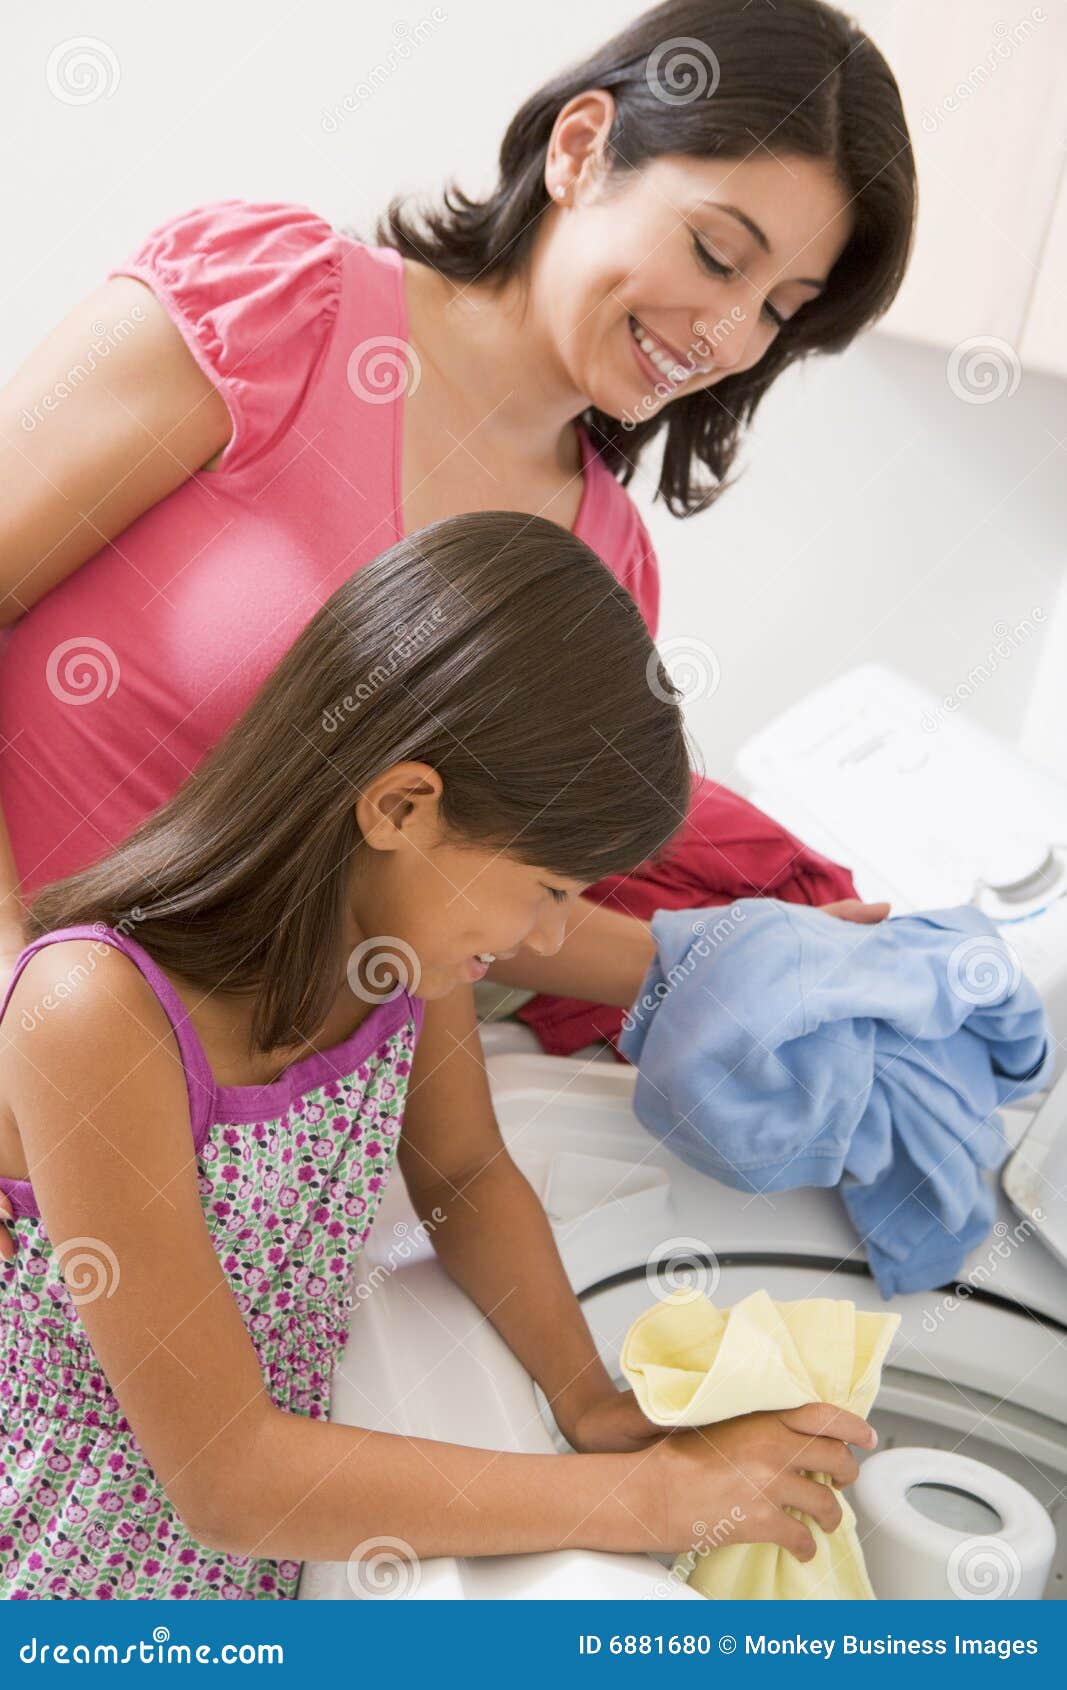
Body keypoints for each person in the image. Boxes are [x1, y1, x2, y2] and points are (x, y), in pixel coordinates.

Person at [0, 513, 874, 1600]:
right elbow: (225, 1475)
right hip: (66, 1580)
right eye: (548, 888)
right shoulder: (92, 1011)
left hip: (256, 1565)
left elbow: (460, 1172)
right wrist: (653, 1498)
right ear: (402, 807)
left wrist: (584, 1394)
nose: (551, 940)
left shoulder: (398, 962)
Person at [0, 0, 912, 1009]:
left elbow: (464, 896)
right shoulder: (272, 311)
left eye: (780, 311)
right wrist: (12, 976)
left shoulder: (601, 571)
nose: (730, 340)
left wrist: (737, 957)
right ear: (581, 150)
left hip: (245, 1109)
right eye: (715, 254)